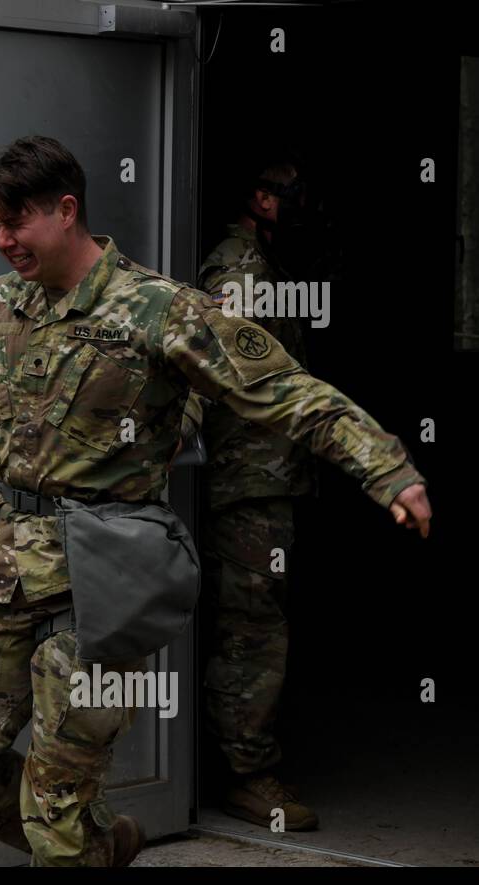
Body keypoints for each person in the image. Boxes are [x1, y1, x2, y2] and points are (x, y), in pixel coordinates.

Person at [0, 135, 431, 867]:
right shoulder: (0, 305)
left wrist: (386, 470)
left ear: (67, 211)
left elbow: (285, 392)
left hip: (103, 576)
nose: (3, 242)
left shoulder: (160, 311)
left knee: (56, 807)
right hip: (4, 570)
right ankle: (100, 846)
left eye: (16, 224)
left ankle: (73, 845)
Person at [192, 157, 321, 830]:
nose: (298, 206)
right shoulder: (241, 270)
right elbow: (233, 369)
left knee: (251, 620)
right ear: (261, 199)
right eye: (288, 193)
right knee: (252, 628)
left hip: (262, 474)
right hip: (248, 481)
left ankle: (238, 761)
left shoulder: (257, 264)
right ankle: (246, 773)